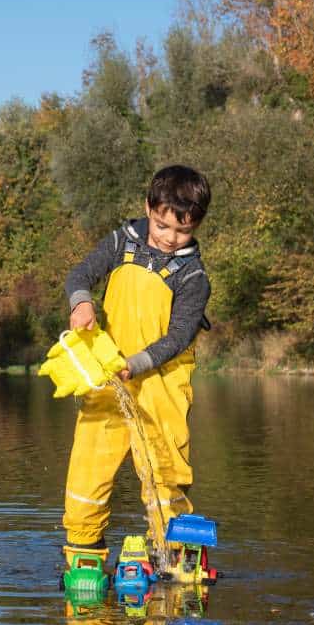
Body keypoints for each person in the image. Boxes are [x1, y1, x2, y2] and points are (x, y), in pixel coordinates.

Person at [60, 165, 212, 571]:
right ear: (148, 208)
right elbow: (80, 274)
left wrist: (138, 364)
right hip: (108, 377)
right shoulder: (120, 242)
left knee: (165, 472)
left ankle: (173, 556)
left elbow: (179, 337)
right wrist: (82, 302)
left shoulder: (193, 276)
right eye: (162, 225)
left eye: (182, 231)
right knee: (87, 470)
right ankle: (84, 552)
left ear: (196, 225)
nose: (169, 238)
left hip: (162, 382)